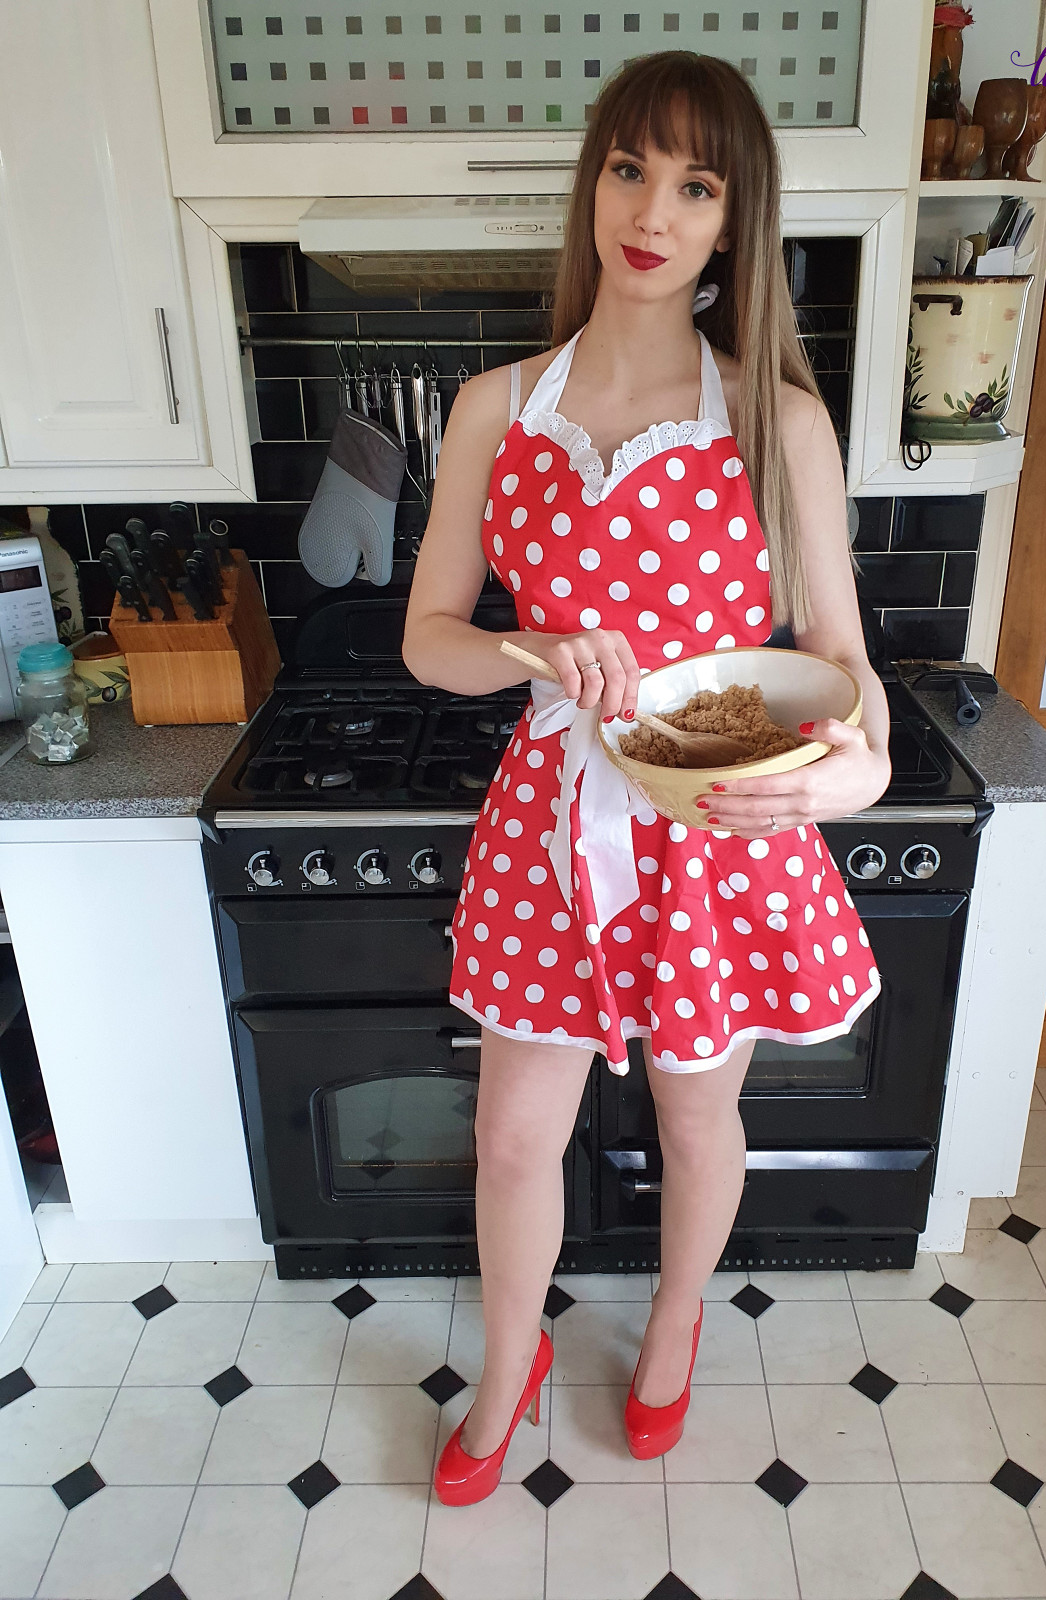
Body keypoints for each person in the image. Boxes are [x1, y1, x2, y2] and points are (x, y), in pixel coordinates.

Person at [401, 50, 892, 1507]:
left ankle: (675, 1322)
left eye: (695, 185)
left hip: (719, 821)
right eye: (629, 168)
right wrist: (531, 648)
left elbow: (843, 660)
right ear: (593, 182)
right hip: (549, 821)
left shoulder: (775, 420)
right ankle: (511, 1362)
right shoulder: (495, 409)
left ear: (734, 223)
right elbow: (427, 638)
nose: (652, 212)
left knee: (694, 1118)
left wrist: (853, 778)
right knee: (510, 1135)